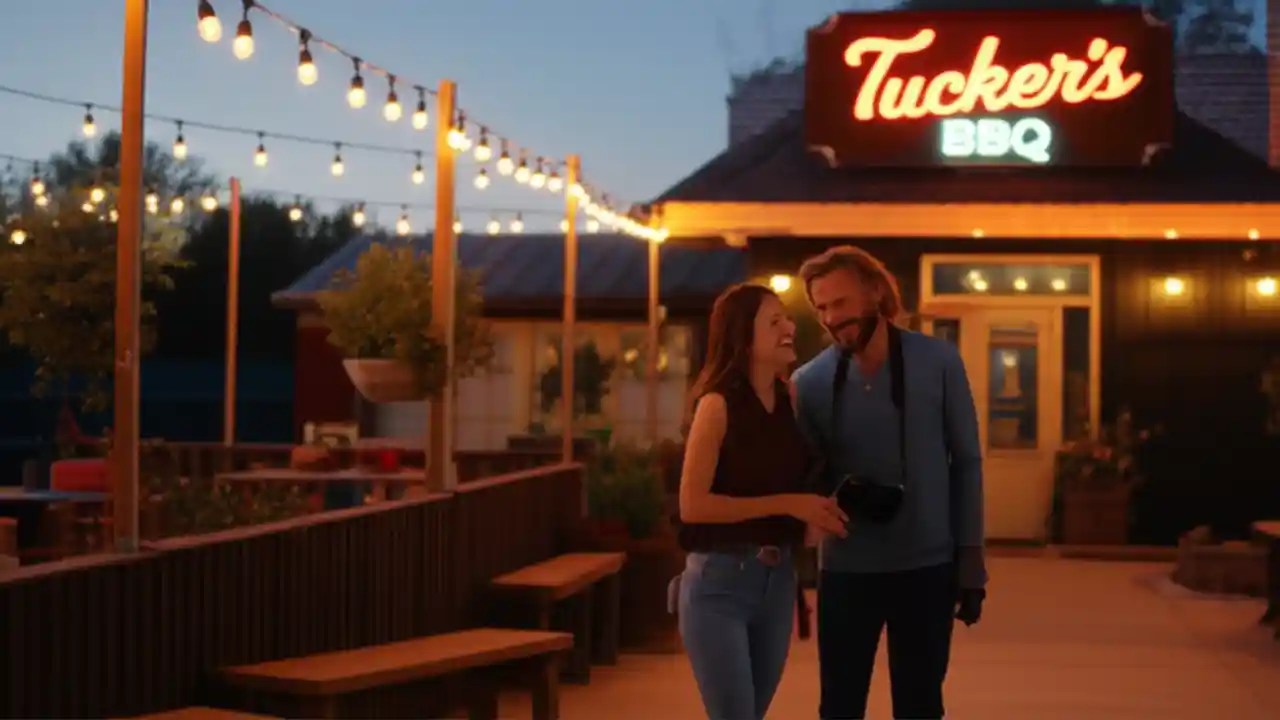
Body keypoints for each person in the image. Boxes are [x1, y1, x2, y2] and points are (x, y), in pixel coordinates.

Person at [790, 246, 988, 720]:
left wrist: (970, 563)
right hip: (845, 569)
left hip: (927, 568)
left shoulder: (938, 361)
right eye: (821, 308)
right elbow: (803, 481)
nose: (831, 318)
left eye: (840, 303)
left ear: (876, 292)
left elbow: (967, 462)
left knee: (920, 707)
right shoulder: (809, 382)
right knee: (839, 707)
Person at [675, 282, 849, 720]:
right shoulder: (716, 405)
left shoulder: (790, 400)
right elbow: (693, 505)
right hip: (719, 583)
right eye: (773, 321)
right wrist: (789, 504)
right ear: (742, 335)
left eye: (786, 318)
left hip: (778, 584)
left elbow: (796, 489)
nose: (789, 326)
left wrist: (813, 520)